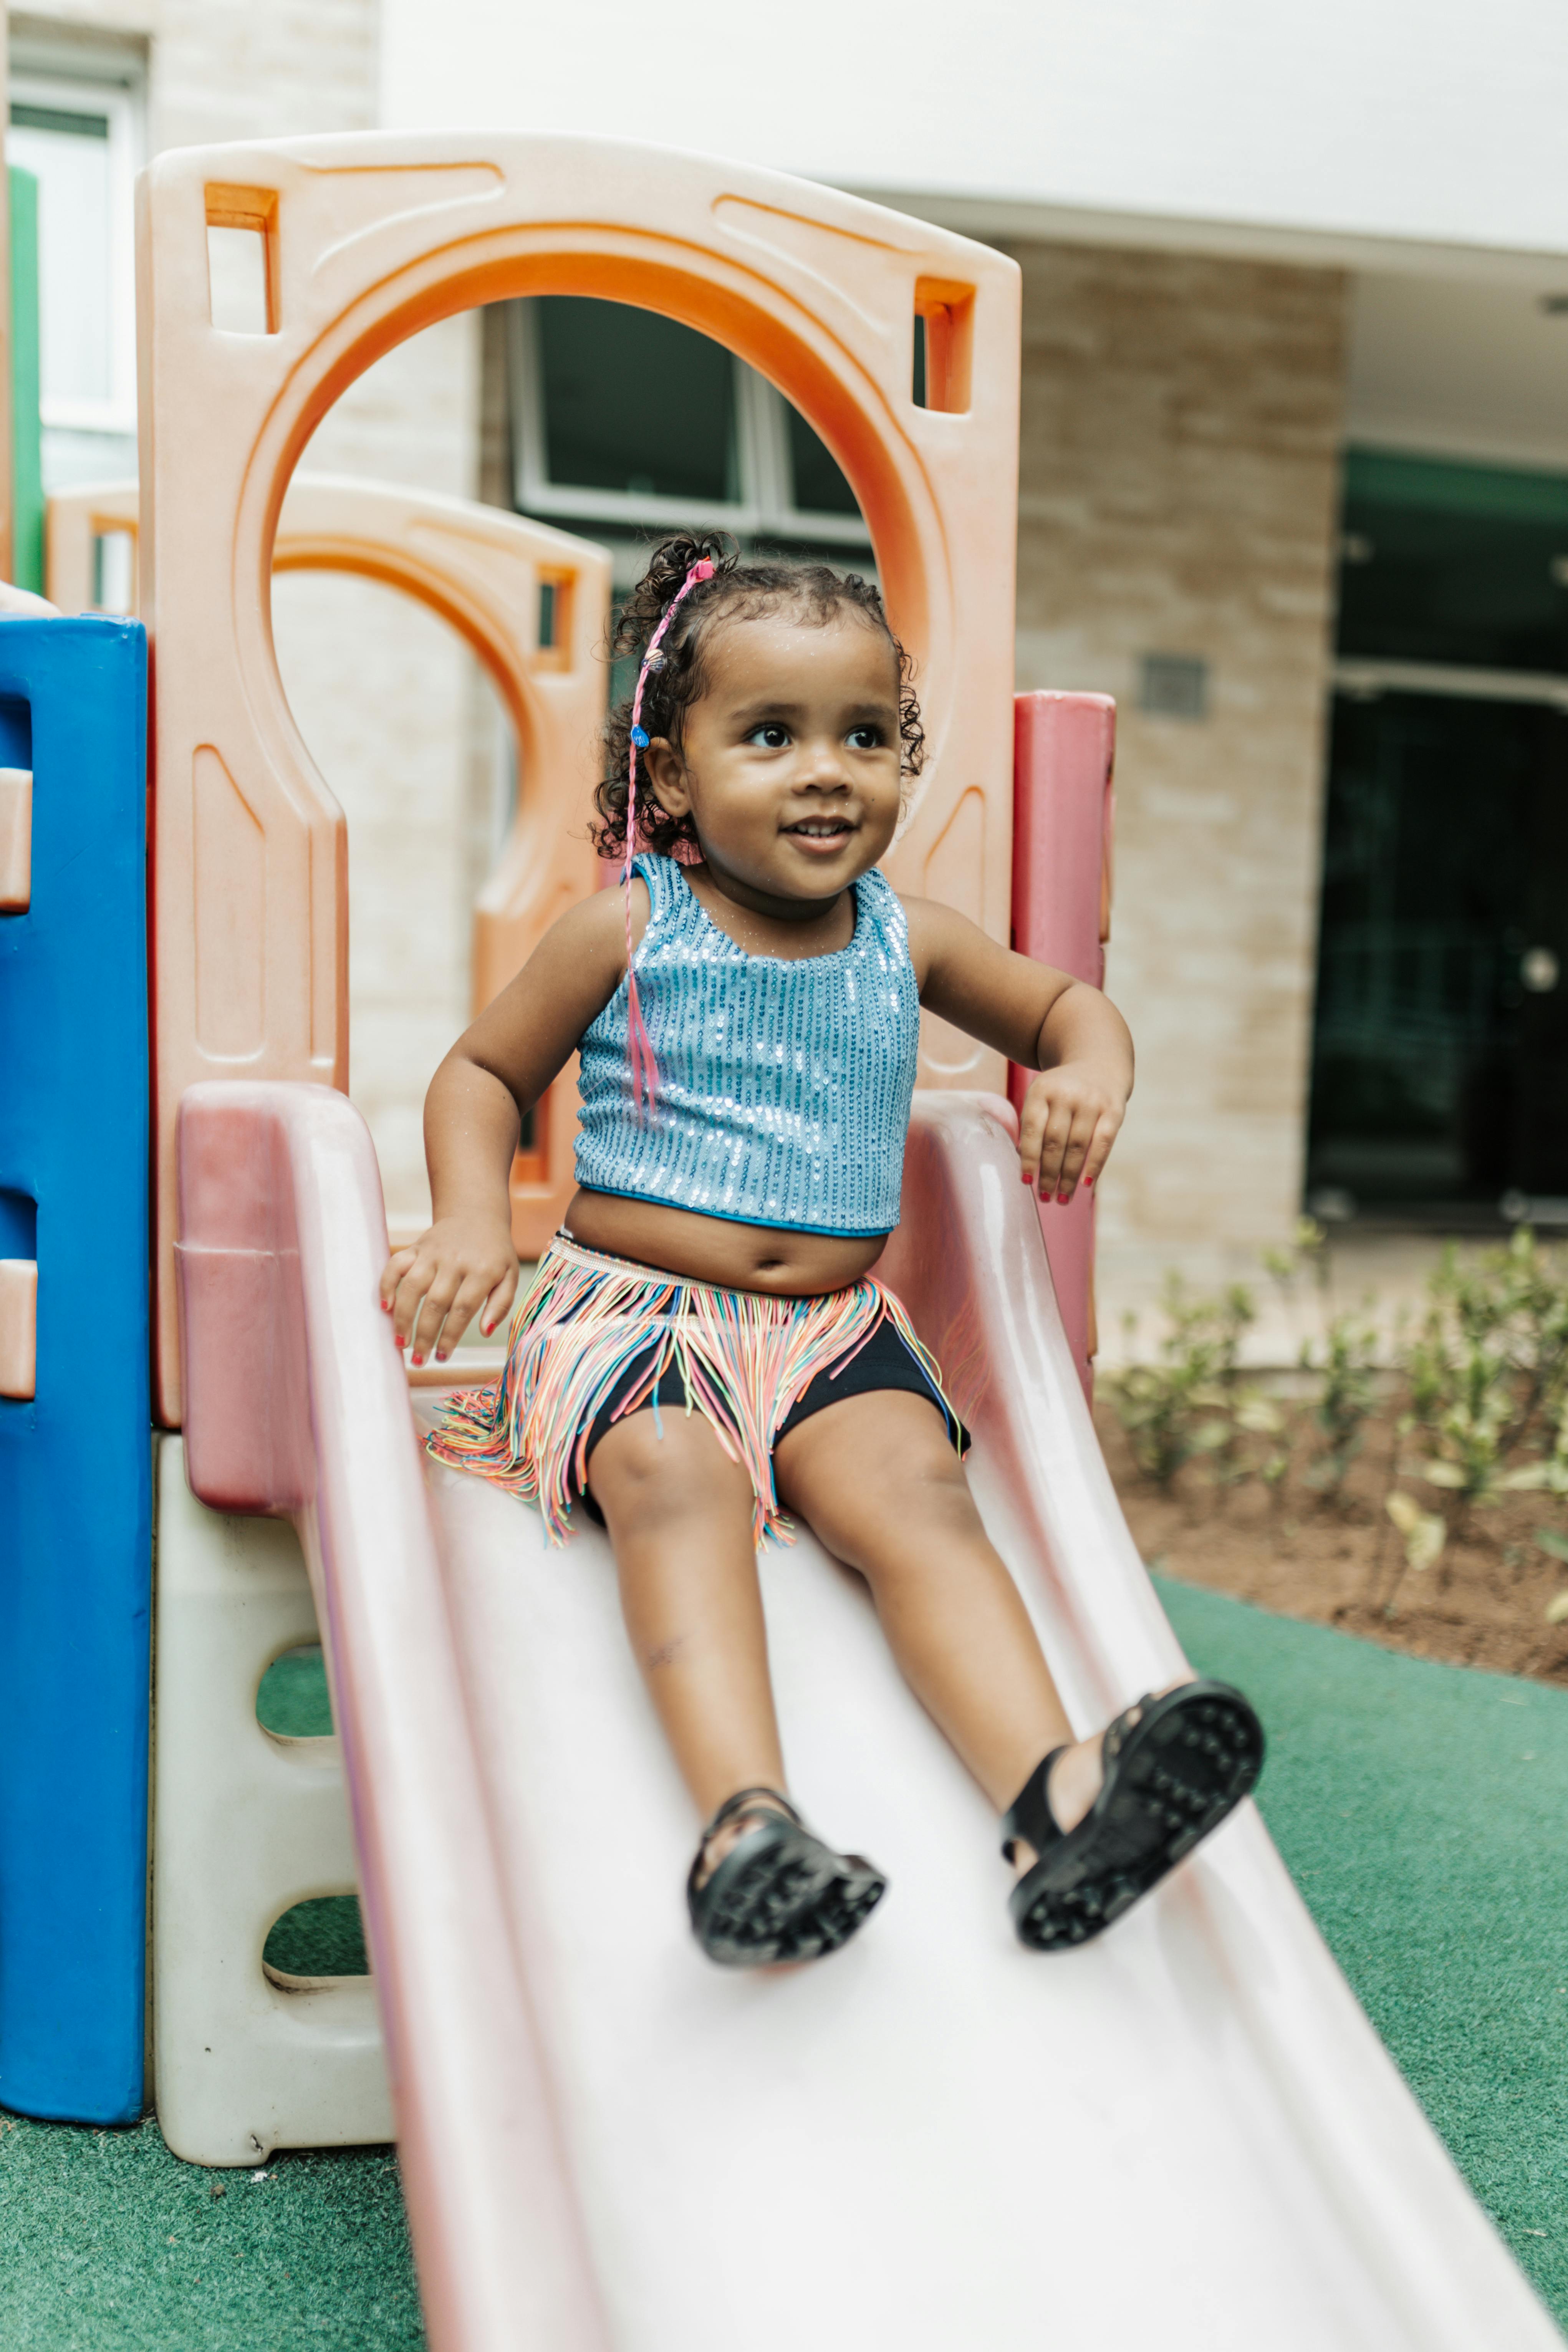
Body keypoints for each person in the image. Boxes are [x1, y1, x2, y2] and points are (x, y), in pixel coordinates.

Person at [381, 532, 1263, 1968]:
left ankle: (1059, 1800)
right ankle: (748, 1827)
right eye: (771, 734)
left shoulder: (907, 941)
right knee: (673, 1478)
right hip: (638, 1320)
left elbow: (1066, 1012)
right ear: (671, 774)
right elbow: (481, 1075)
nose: (826, 770)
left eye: (865, 735)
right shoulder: (625, 928)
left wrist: (1091, 1071)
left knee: (916, 1490)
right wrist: (475, 1214)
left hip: (836, 1333)